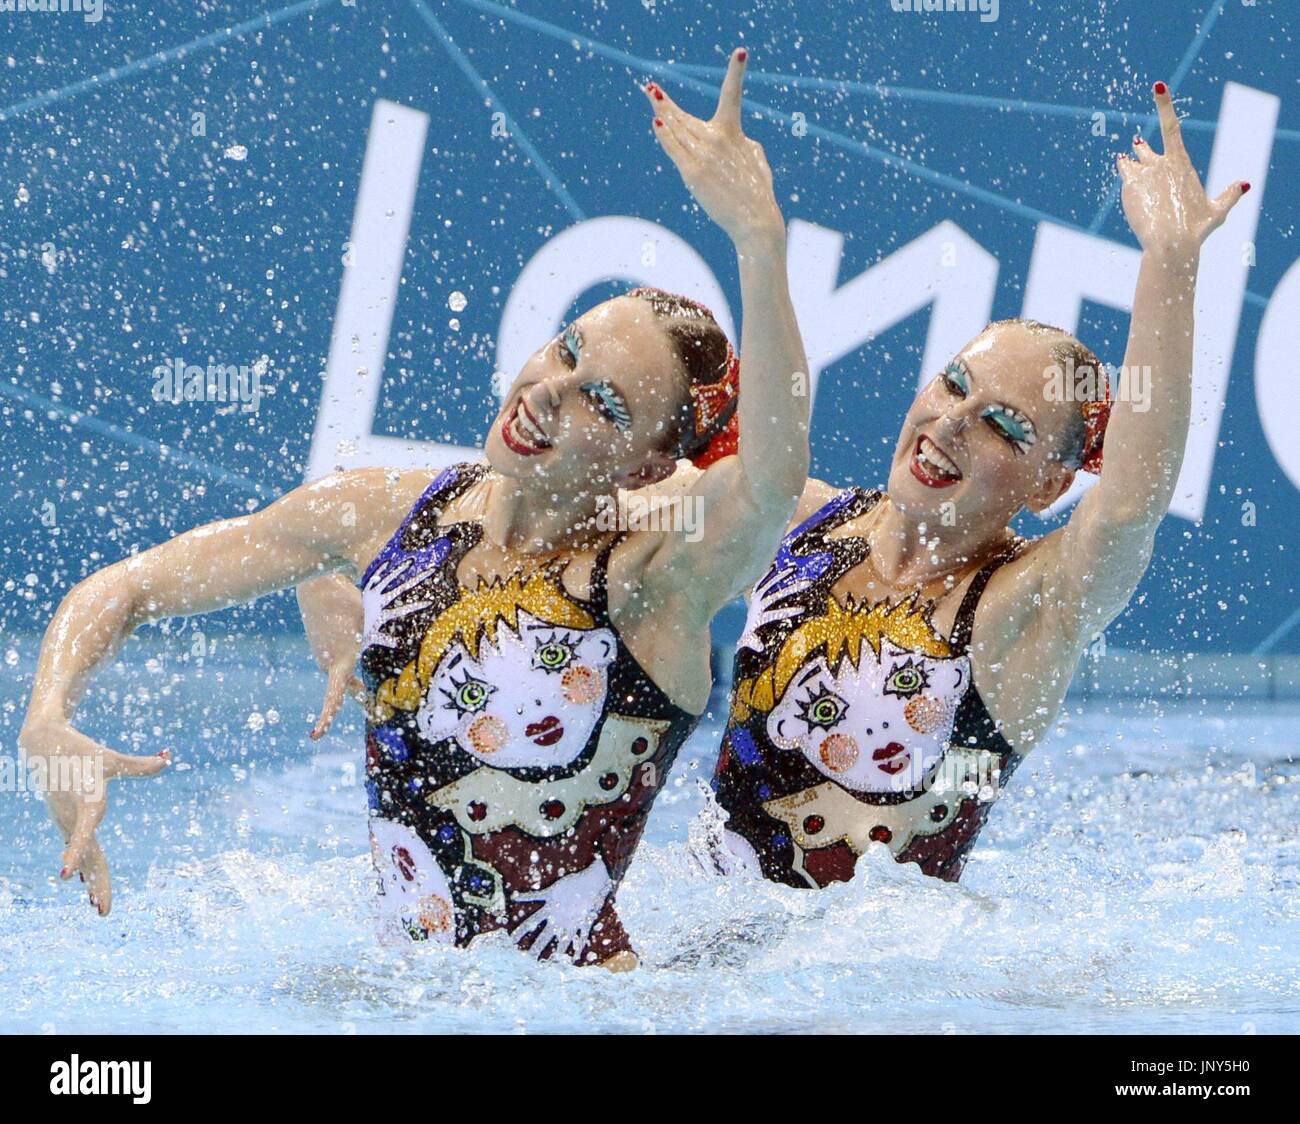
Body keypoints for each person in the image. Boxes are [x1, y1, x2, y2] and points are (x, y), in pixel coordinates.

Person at [301, 83, 1247, 893]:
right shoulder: (799, 528)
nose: (951, 424)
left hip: (873, 996)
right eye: (952, 387)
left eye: (1001, 425)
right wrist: (338, 585)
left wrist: (1170, 265)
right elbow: (545, 518)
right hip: (715, 967)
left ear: (1047, 481)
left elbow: (1129, 500)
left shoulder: (1024, 613)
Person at [18, 50, 811, 968]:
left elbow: (771, 481)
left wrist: (759, 238)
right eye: (565, 352)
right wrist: (47, 720)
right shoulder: (385, 512)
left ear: (647, 468)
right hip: (411, 999)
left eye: (606, 402)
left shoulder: (655, 580)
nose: (550, 391)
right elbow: (130, 589)